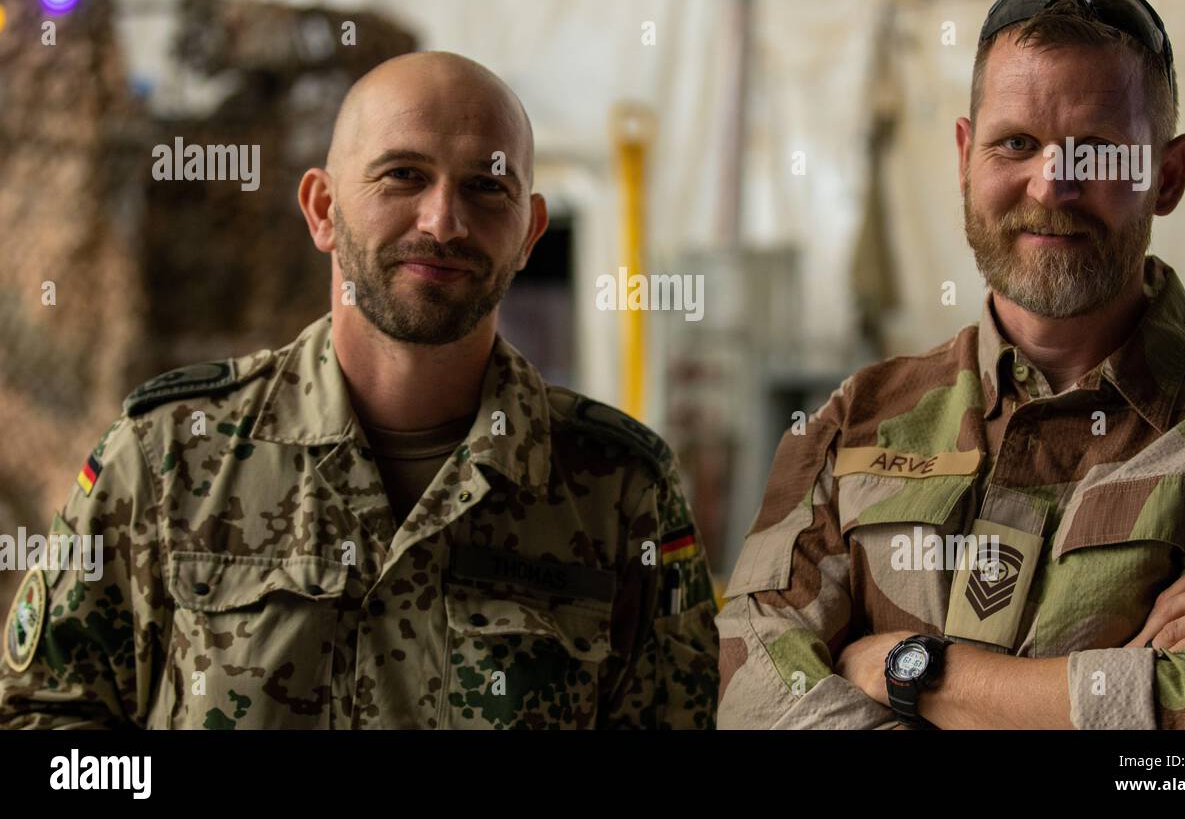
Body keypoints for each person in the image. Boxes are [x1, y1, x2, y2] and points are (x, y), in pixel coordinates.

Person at [0, 51, 718, 729]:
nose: (442, 221)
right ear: (321, 209)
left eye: (486, 186)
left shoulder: (618, 490)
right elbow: (46, 721)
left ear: (529, 233)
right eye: (403, 175)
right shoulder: (168, 459)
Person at [716, 0, 1185, 729]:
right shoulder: (854, 421)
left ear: (1169, 174)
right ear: (965, 157)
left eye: (1097, 152)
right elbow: (747, 689)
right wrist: (1111, 689)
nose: (1051, 185)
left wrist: (900, 669)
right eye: (1015, 143)